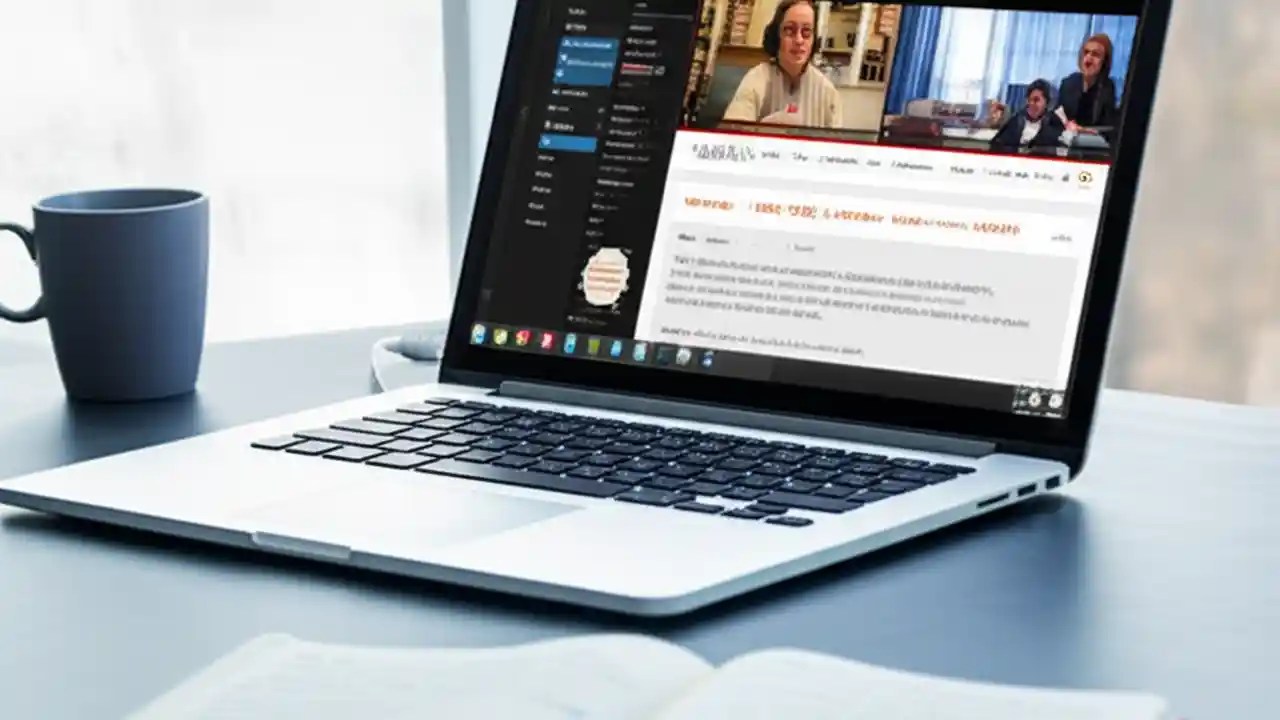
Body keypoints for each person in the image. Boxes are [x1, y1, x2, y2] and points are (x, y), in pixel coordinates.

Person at [722, 0, 842, 128]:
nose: (799, 40)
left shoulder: (829, 93)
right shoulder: (756, 79)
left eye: (806, 32)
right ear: (776, 36)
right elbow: (732, 136)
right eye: (790, 30)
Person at [1056, 33, 1120, 138]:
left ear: (1104, 62)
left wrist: (1084, 131)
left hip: (1093, 143)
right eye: (1086, 53)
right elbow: (1056, 119)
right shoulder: (1068, 83)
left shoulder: (1108, 87)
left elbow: (1109, 127)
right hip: (1067, 140)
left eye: (1095, 55)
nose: (1088, 59)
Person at [990, 80, 1065, 152]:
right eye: (1029, 100)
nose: (1031, 104)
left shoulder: (1054, 123)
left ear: (1047, 102)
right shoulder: (1016, 120)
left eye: (1036, 100)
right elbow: (997, 146)